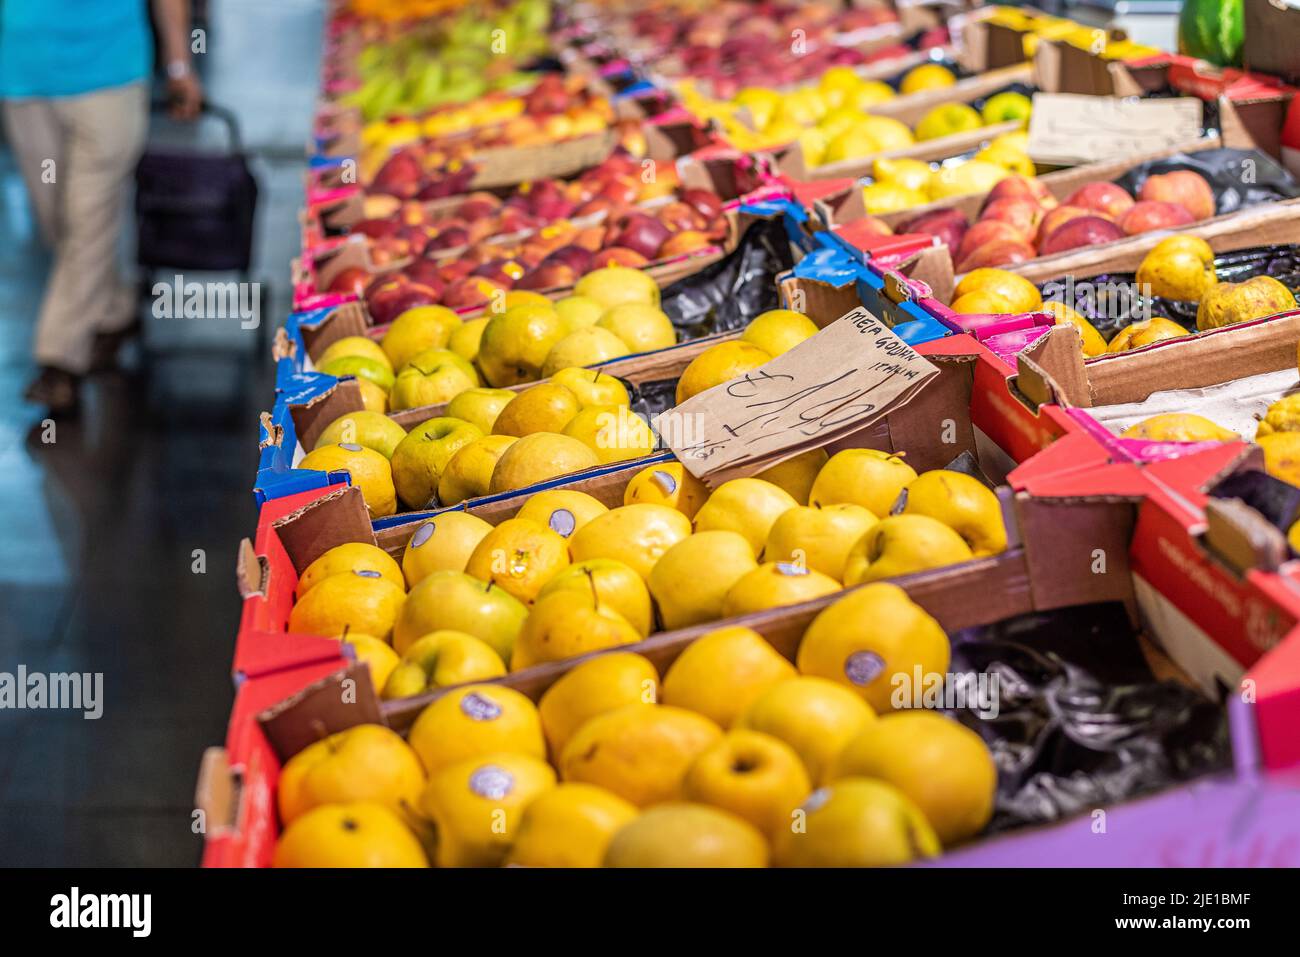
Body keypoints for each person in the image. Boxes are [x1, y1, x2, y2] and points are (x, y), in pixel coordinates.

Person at [1, 0, 203, 415]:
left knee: (87, 217)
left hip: (111, 79)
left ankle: (59, 360)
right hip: (24, 80)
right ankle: (113, 310)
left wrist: (179, 65)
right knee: (58, 221)